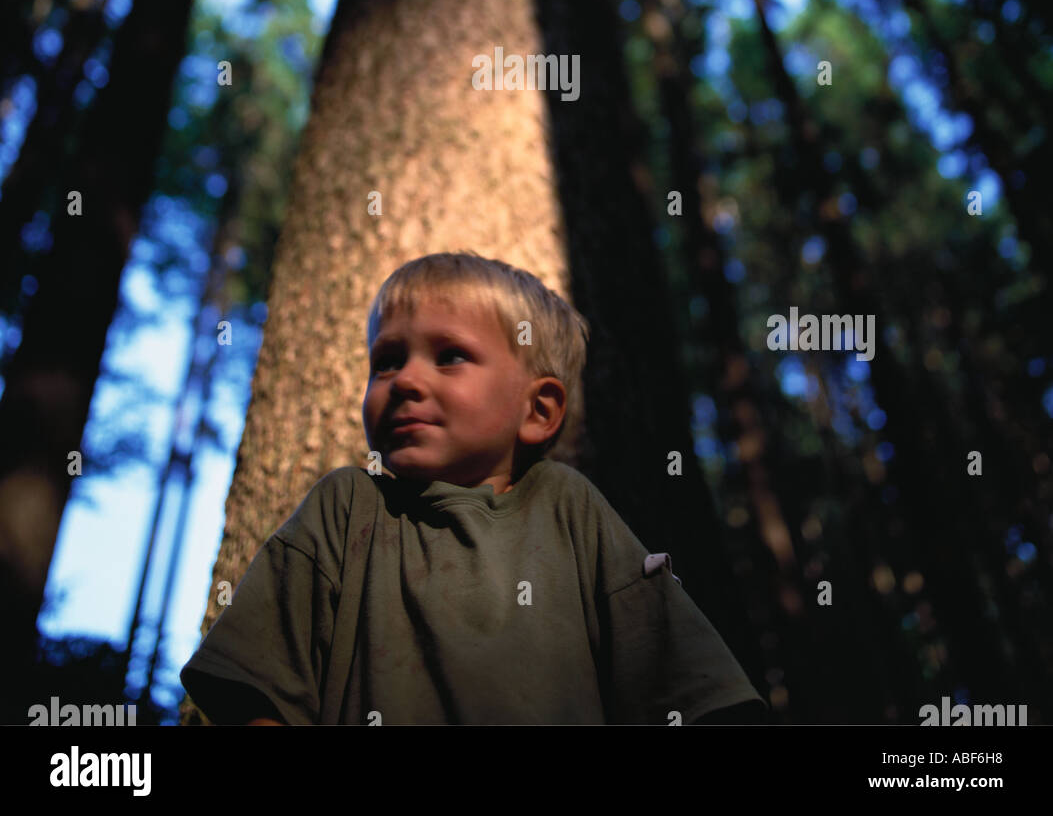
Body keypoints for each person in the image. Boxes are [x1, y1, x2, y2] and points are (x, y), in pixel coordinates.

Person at [180, 251, 767, 726]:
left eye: (451, 356)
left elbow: (686, 685)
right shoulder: (347, 507)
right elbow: (253, 689)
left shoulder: (569, 509)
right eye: (386, 361)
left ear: (538, 410)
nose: (405, 380)